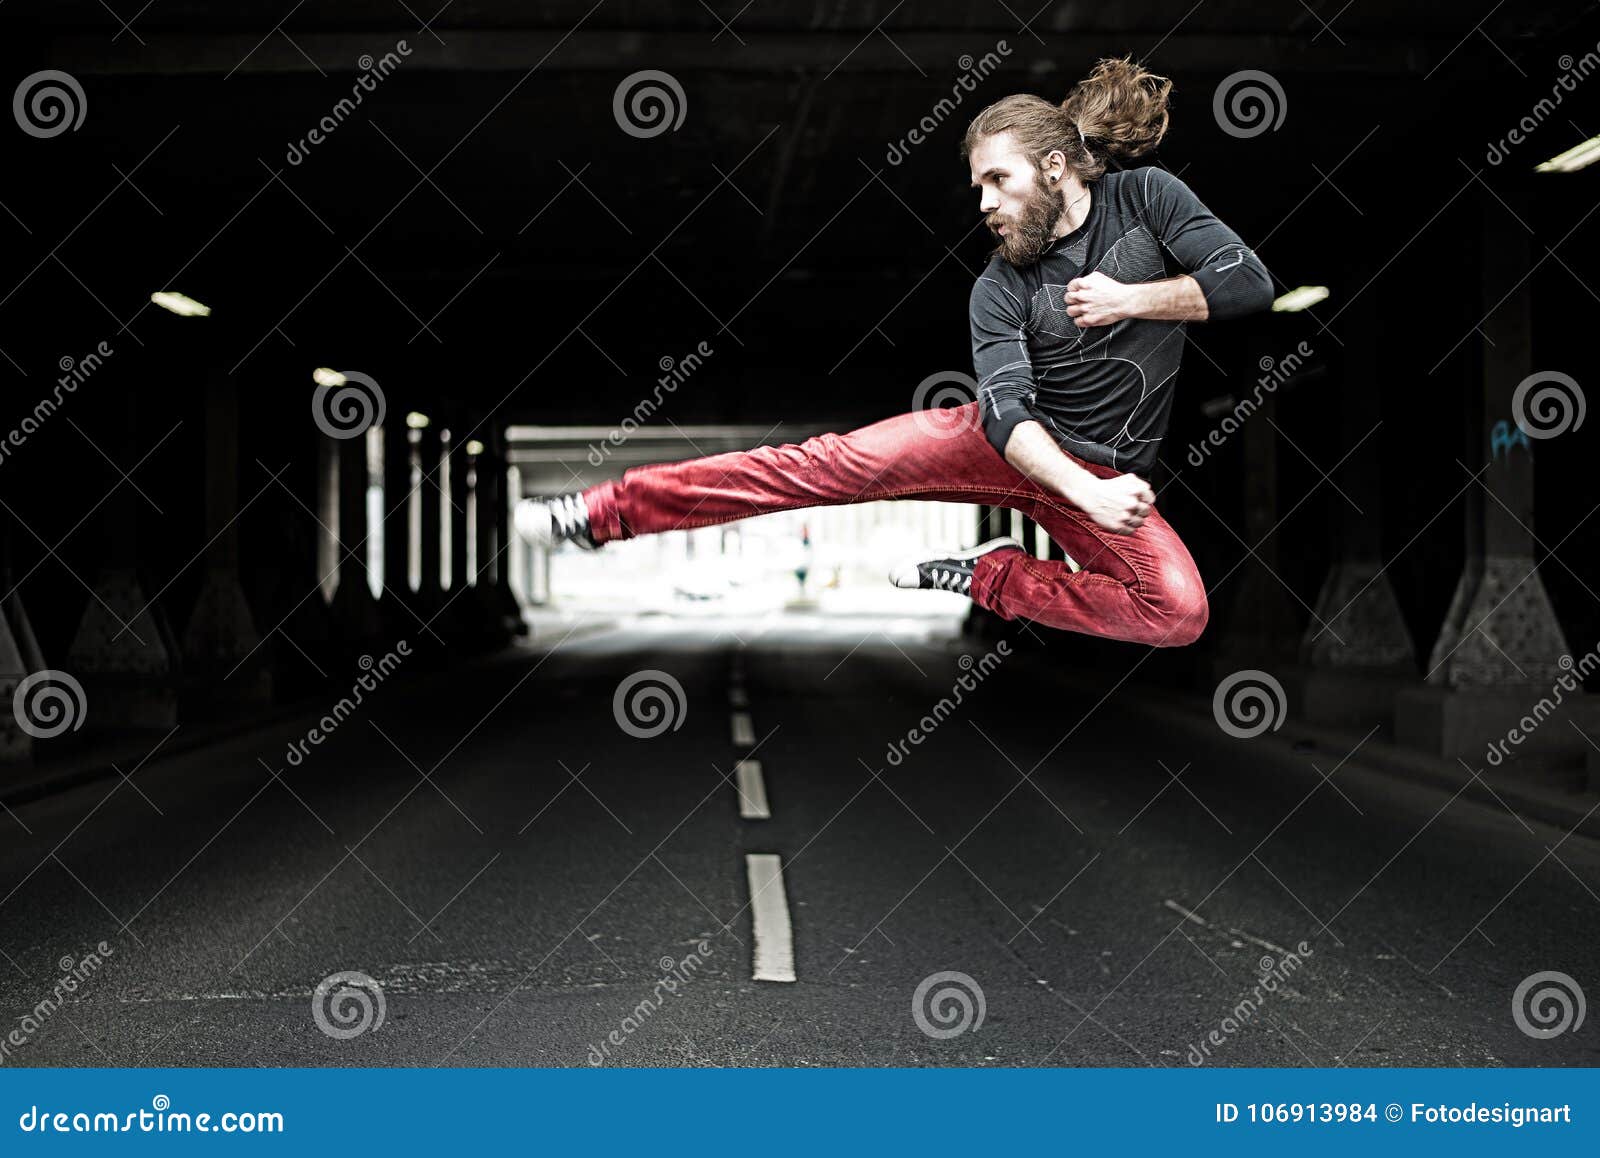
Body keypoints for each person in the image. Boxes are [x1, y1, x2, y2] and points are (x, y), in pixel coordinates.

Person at [516, 57, 1273, 647]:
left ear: (1051, 169)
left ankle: (991, 576)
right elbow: (1008, 419)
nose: (983, 204)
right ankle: (601, 513)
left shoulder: (1146, 199)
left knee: (1177, 612)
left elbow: (1248, 284)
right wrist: (1083, 489)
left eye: (997, 182)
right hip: (1002, 448)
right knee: (814, 468)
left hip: (1103, 476)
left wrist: (1130, 299)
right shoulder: (998, 287)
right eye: (977, 186)